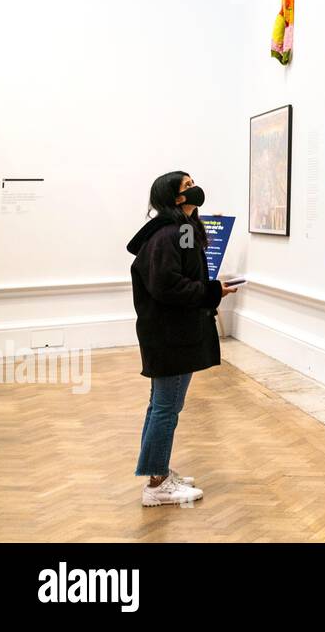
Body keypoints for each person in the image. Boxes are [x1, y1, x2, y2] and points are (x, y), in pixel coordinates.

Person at [127, 171, 238, 507]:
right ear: (174, 198)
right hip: (170, 335)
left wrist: (210, 288)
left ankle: (156, 471)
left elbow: (187, 271)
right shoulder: (169, 234)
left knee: (161, 406)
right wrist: (212, 291)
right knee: (166, 408)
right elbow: (168, 286)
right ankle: (157, 485)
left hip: (172, 332)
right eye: (187, 187)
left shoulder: (183, 230)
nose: (195, 189)